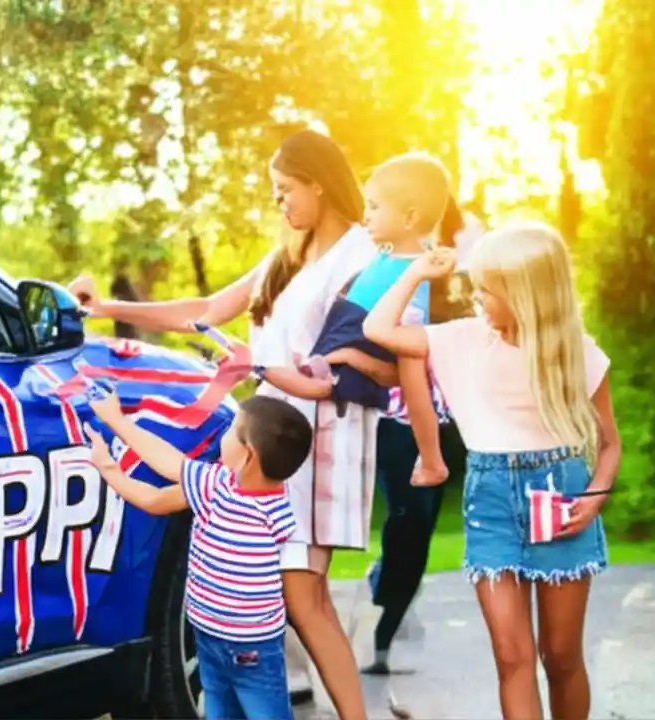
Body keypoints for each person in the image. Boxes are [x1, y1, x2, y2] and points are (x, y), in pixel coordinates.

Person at [69, 129, 374, 720]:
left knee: (303, 596)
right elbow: (204, 312)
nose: (279, 202)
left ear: (319, 183)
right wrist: (106, 309)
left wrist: (262, 362)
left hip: (319, 434)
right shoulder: (289, 253)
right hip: (267, 428)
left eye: (286, 190)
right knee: (301, 596)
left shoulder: (360, 258)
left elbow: (357, 358)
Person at [362, 222, 621, 720]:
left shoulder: (576, 352)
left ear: (524, 296)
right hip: (492, 502)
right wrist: (415, 271)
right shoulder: (461, 340)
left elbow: (609, 445)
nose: (474, 296)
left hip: (562, 495)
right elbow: (378, 328)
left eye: (486, 289)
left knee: (561, 657)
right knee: (511, 658)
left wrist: (595, 497)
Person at [84, 392, 311, 720]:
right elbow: (159, 493)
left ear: (247, 456)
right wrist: (110, 467)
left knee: (243, 711)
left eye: (232, 429)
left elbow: (162, 471)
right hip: (232, 638)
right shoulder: (275, 502)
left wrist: (117, 424)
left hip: (235, 643)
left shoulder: (217, 488)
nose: (224, 434)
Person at [359, 189, 474, 675]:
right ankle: (381, 627)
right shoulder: (380, 271)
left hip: (436, 418)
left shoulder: (446, 271)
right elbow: (366, 338)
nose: (366, 216)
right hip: (394, 421)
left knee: (419, 525)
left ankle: (386, 598)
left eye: (374, 205)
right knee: (410, 522)